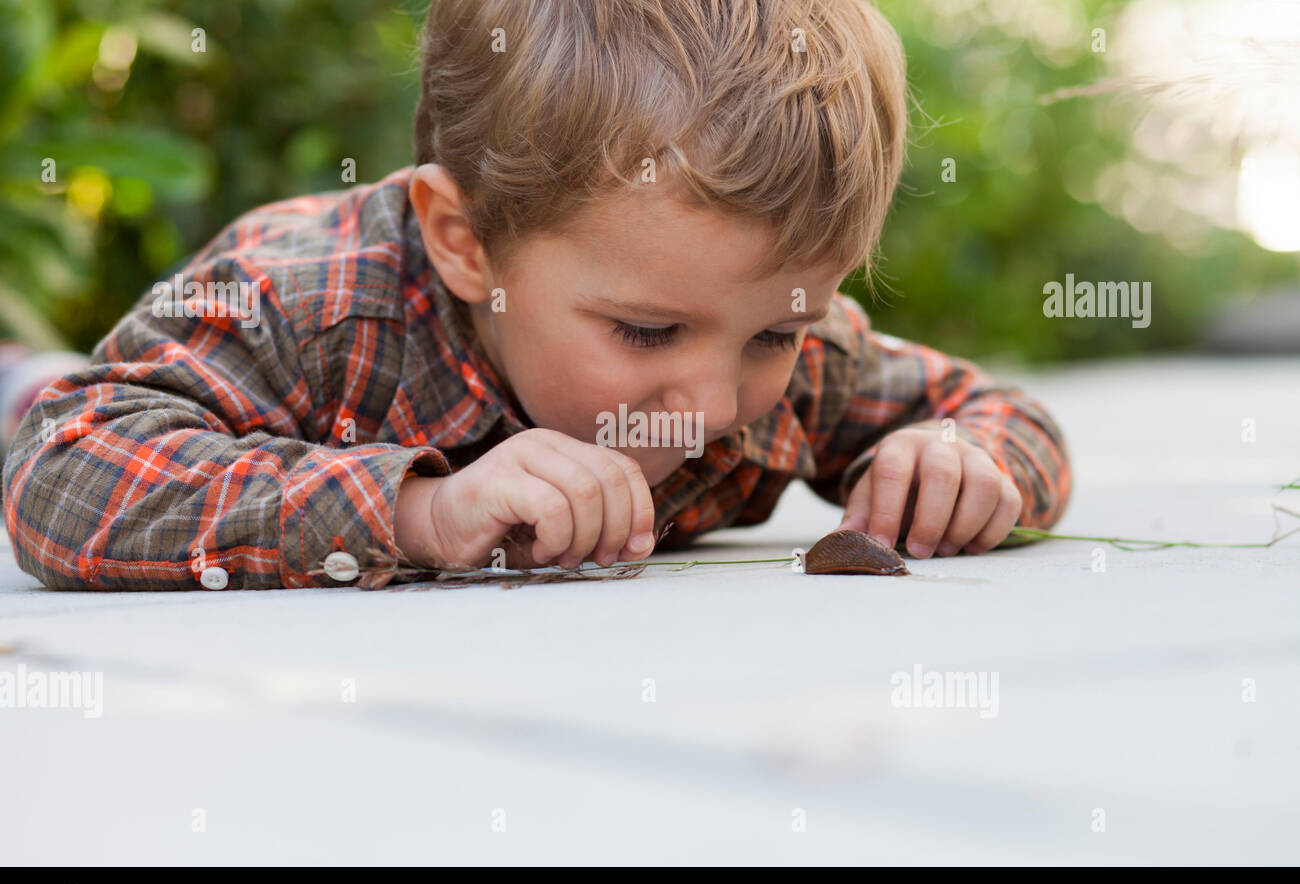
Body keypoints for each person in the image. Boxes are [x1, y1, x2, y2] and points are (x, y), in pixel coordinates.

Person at [1, 0, 1071, 590]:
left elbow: (1006, 416)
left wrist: (962, 466)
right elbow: (62, 469)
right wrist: (416, 510)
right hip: (162, 389)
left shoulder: (783, 360)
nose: (708, 402)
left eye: (776, 332)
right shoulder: (308, 309)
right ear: (466, 242)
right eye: (646, 329)